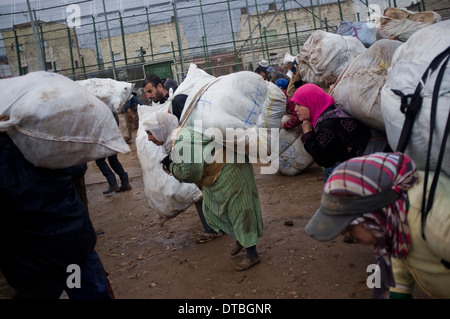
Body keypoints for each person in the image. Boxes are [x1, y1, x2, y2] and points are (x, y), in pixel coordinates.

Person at [304, 152, 450, 299]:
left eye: (350, 226)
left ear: (374, 216)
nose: (344, 233)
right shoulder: (396, 220)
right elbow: (399, 257)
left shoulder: (438, 223)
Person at [0, 120, 114, 299]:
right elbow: (78, 167)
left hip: (27, 264)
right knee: (84, 291)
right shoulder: (41, 142)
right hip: (70, 249)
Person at [143, 112, 264, 271]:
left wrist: (171, 166)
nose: (149, 139)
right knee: (214, 209)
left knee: (240, 210)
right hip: (221, 171)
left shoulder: (182, 141)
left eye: (150, 133)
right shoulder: (177, 138)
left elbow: (190, 173)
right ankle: (241, 239)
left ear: (162, 129)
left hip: (232, 171)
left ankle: (252, 253)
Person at [142, 75, 218, 242]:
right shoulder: (172, 103)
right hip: (201, 150)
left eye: (150, 91)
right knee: (201, 191)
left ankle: (214, 228)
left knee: (200, 189)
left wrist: (173, 165)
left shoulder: (177, 102)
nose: (148, 95)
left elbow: (189, 170)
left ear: (160, 86)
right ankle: (214, 226)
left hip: (200, 152)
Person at [291, 83, 371, 182]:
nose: (295, 109)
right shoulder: (331, 112)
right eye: (295, 105)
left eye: (299, 104)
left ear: (311, 102)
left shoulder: (326, 126)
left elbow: (322, 159)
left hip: (346, 172)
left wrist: (307, 134)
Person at [95, 111, 132, 194]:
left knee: (100, 161)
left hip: (104, 138)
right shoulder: (110, 108)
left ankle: (113, 183)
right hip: (113, 137)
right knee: (113, 160)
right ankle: (125, 183)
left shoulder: (99, 110)